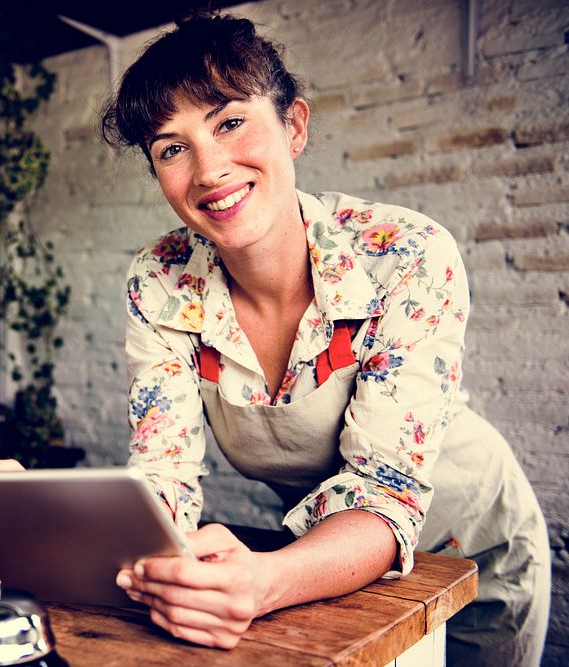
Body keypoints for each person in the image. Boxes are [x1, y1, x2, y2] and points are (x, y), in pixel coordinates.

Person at [94, 14, 551, 667]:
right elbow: (163, 473)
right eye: (172, 147)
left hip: (469, 553)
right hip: (320, 565)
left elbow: (383, 490)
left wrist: (263, 580)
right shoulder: (160, 281)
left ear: (295, 126)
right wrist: (53, 518)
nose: (208, 169)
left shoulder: (406, 255)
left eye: (228, 123)